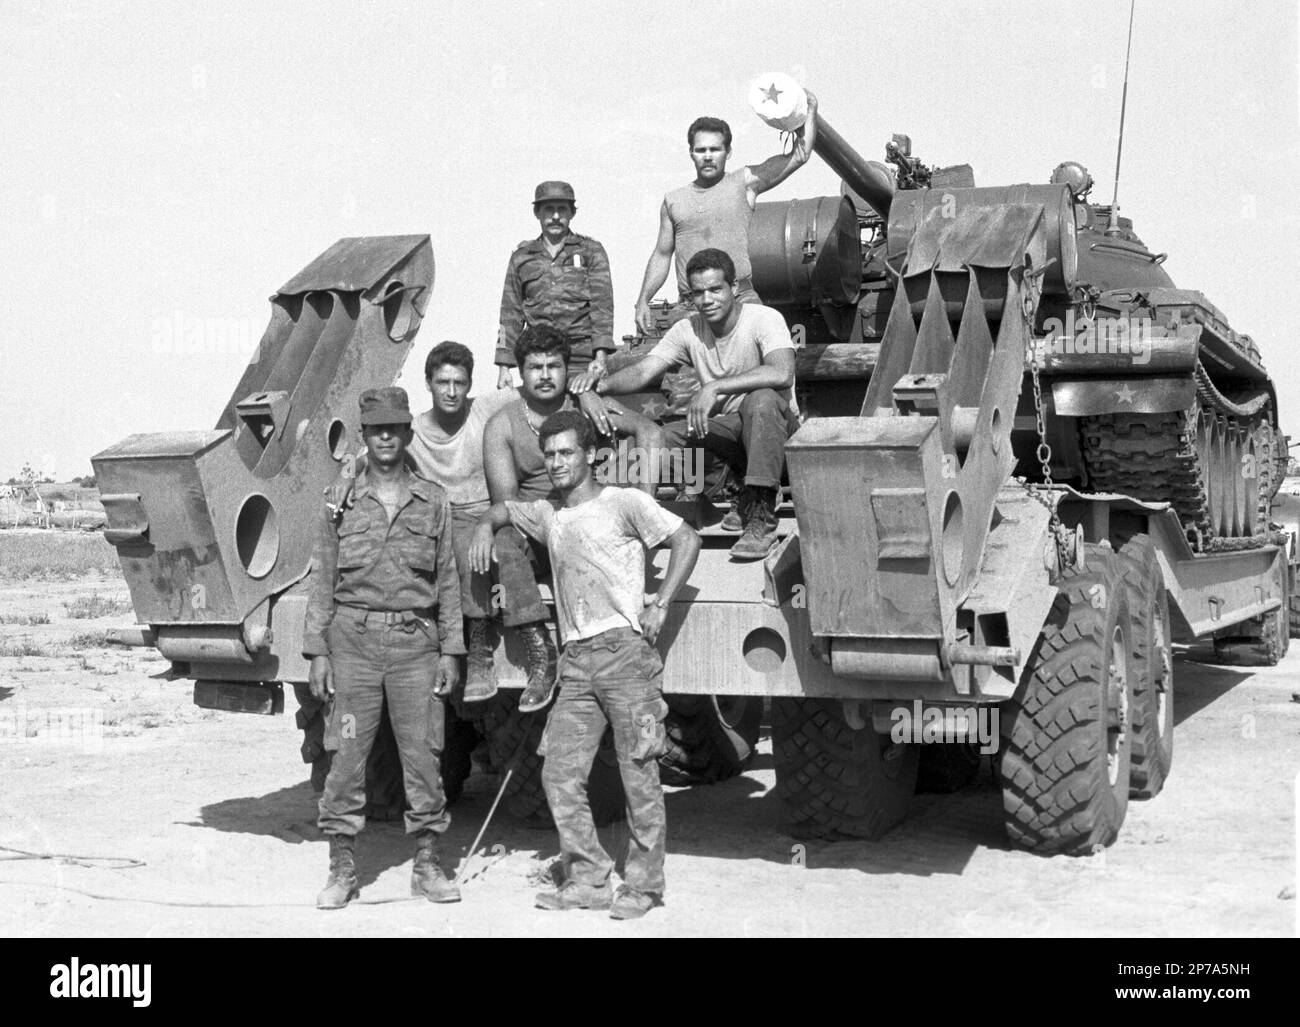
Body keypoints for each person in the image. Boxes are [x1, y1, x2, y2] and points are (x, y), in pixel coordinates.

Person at [469, 409, 701, 920]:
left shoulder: (625, 503)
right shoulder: (550, 513)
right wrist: (486, 524)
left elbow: (687, 538)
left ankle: (643, 885)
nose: (556, 463)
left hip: (624, 655)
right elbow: (505, 510)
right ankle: (588, 877)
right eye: (549, 454)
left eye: (566, 452)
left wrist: (660, 601)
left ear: (591, 455)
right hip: (575, 661)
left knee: (639, 770)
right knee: (558, 771)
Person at [304, 387, 465, 910]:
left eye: (395, 427)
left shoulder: (433, 500)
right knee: (346, 756)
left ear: (407, 433)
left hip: (416, 647)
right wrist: (318, 652)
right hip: (352, 646)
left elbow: (447, 581)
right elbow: (323, 577)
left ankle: (427, 864)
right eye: (376, 429)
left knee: (423, 756)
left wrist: (451, 650)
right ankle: (342, 868)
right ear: (364, 436)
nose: (386, 437)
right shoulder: (339, 500)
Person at [482, 325, 663, 713]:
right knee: (504, 541)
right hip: (540, 525)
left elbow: (648, 429)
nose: (545, 375)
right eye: (534, 367)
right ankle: (539, 652)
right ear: (519, 372)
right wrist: (487, 524)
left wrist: (644, 506)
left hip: (590, 524)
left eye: (554, 366)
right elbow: (508, 504)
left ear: (568, 370)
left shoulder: (587, 405)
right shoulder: (502, 424)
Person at [326, 342, 516, 706]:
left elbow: (535, 391)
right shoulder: (412, 432)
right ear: (428, 383)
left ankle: (481, 647)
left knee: (481, 546)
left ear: (470, 385)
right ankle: (461, 648)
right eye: (442, 381)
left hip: (485, 513)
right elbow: (364, 453)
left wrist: (590, 395)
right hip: (442, 515)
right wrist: (345, 476)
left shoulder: (485, 408)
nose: (451, 391)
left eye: (460, 382)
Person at [589, 248, 798, 561]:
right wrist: (600, 385)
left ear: (734, 289)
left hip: (779, 438)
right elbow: (645, 370)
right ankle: (691, 504)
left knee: (762, 399)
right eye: (698, 293)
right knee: (665, 437)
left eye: (715, 289)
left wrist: (715, 386)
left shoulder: (764, 319)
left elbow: (781, 372)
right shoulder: (687, 330)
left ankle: (760, 514)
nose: (707, 300)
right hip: (733, 439)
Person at [633, 99, 818, 336]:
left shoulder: (744, 184)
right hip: (692, 304)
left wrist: (810, 109)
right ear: (691, 153)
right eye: (701, 150)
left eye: (715, 149)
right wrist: (643, 300)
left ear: (728, 152)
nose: (708, 156)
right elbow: (662, 254)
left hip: (740, 298)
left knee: (764, 357)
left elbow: (800, 155)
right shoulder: (673, 201)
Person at [496, 181, 614, 393]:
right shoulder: (521, 258)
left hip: (581, 359)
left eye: (562, 209)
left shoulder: (591, 252)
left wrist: (600, 357)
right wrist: (505, 368)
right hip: (540, 358)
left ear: (572, 213)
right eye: (549, 209)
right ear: (537, 213)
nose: (556, 216)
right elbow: (510, 315)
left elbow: (602, 308)